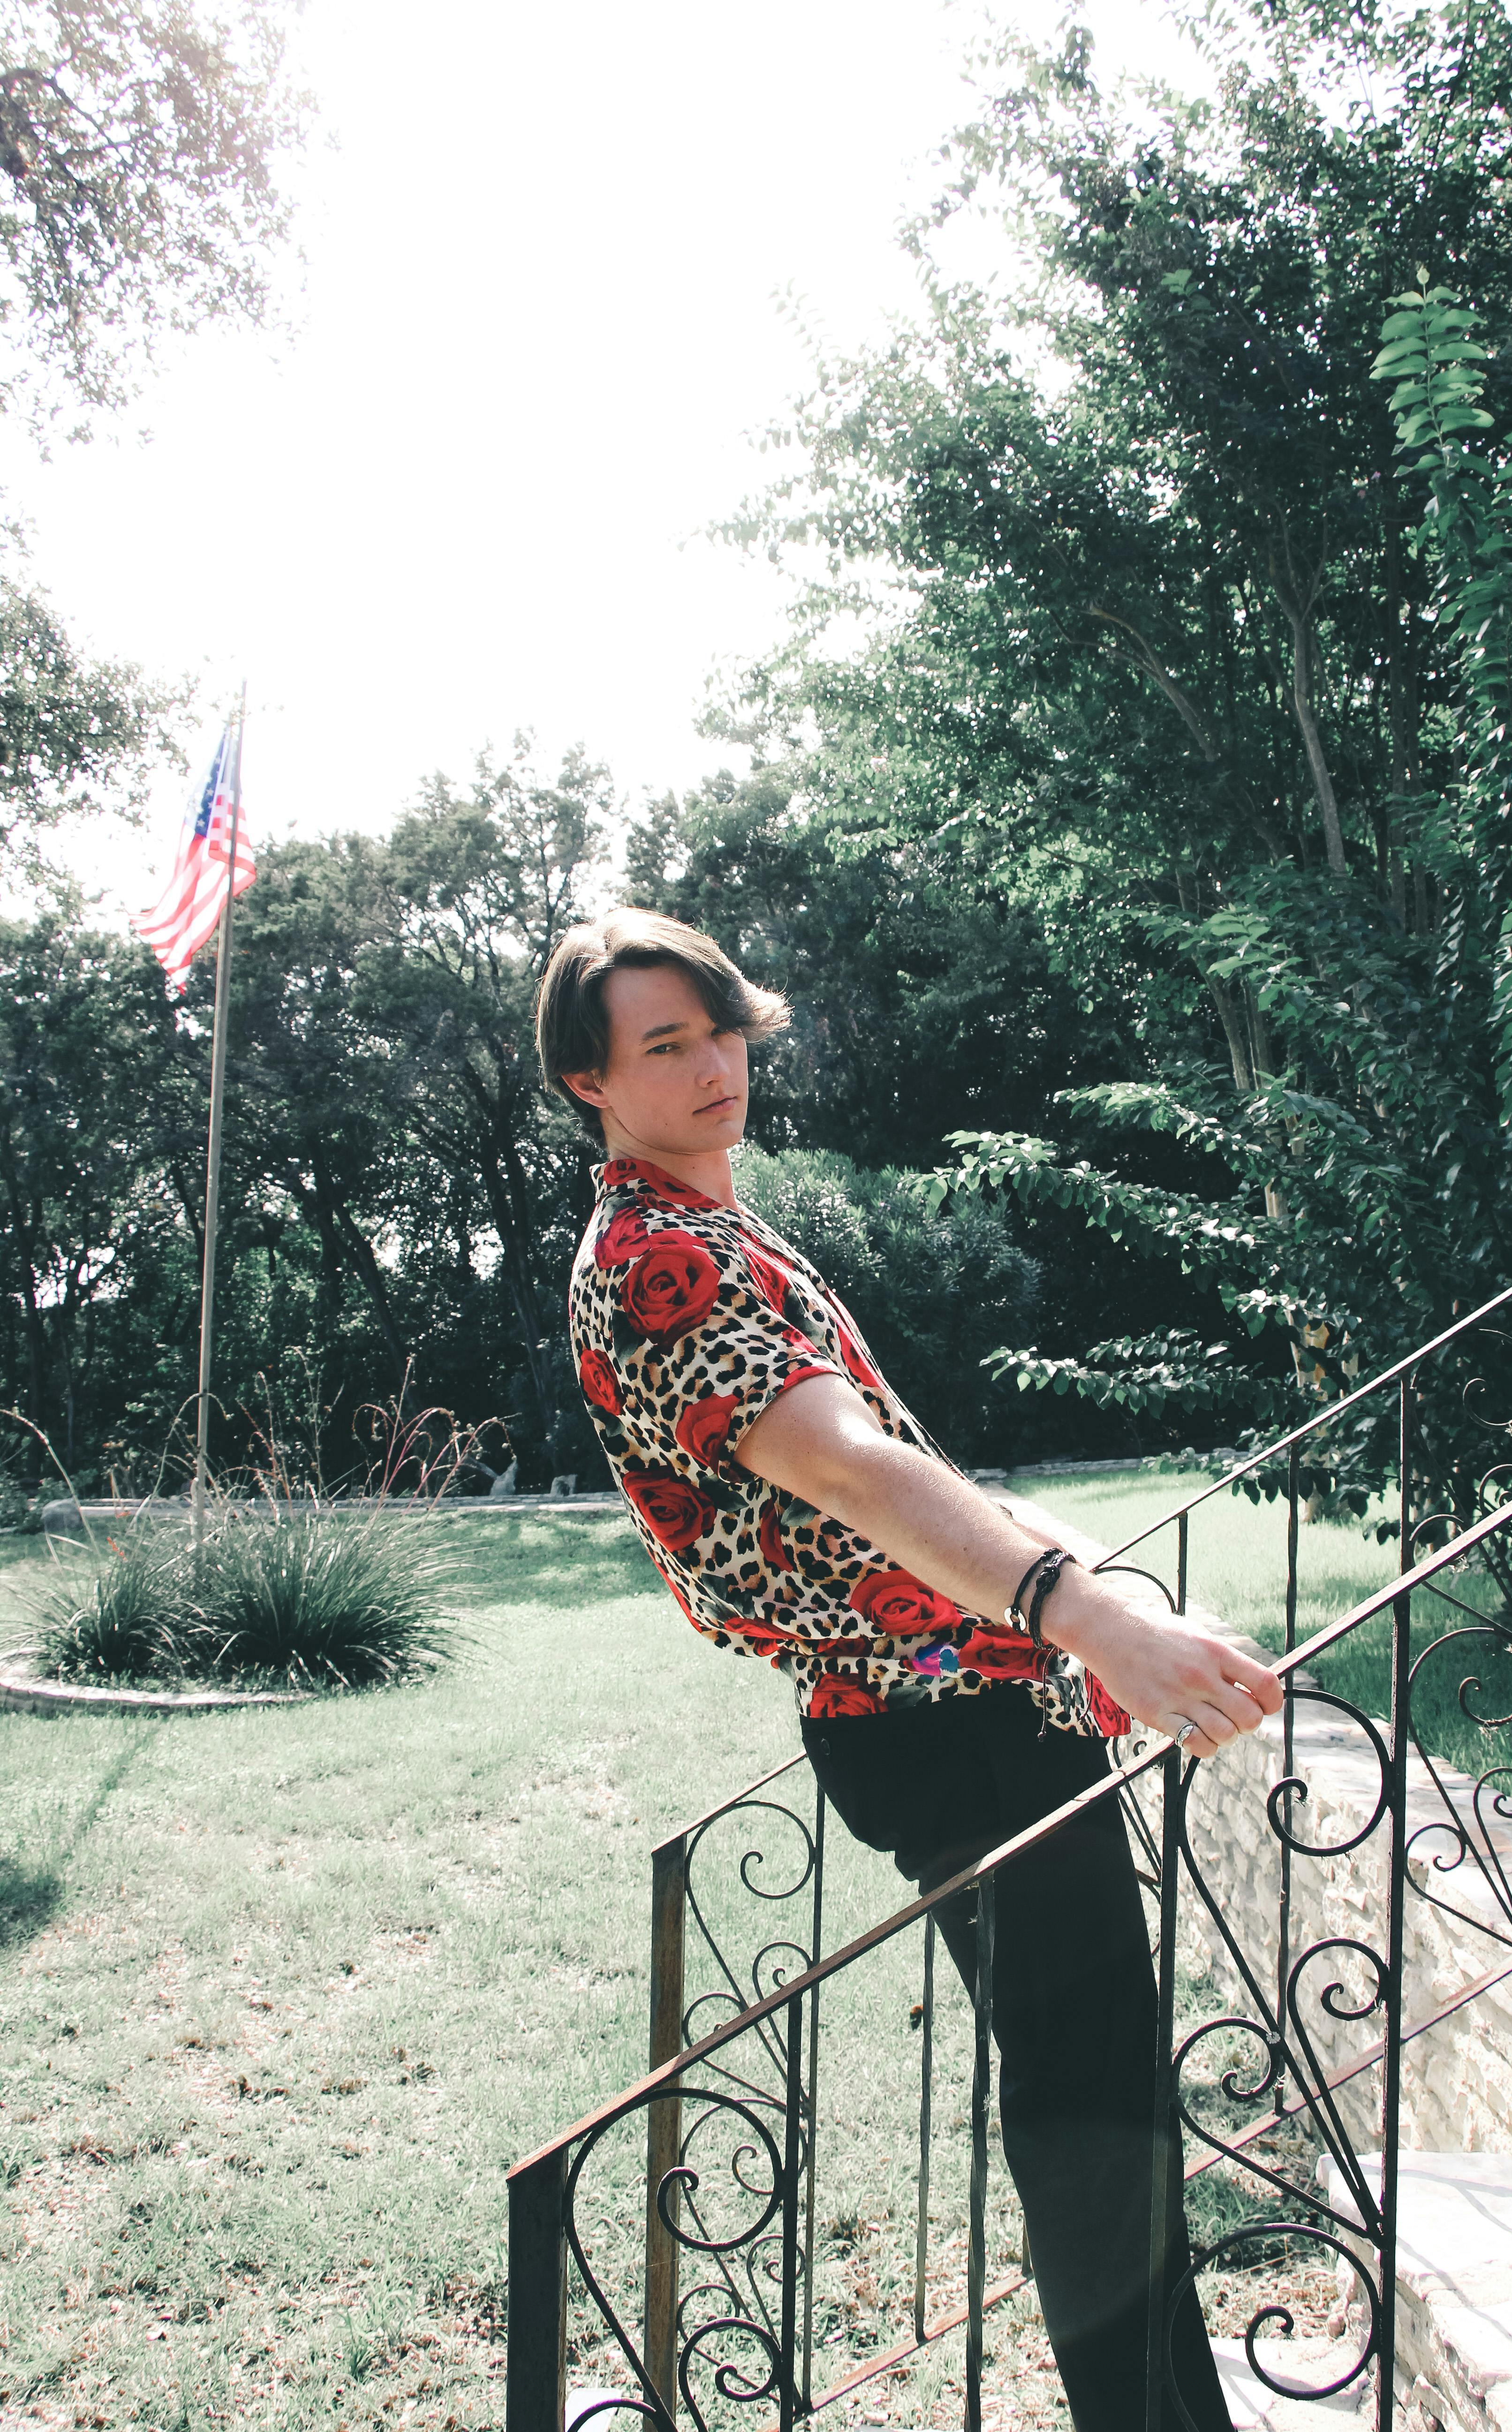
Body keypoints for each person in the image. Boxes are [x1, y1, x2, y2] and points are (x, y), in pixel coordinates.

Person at [535, 907, 1282, 2432]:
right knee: (1092, 2113)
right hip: (945, 1726)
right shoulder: (662, 1255)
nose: (711, 1064)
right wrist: (1099, 1621)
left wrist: (1091, 1579)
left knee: (1102, 2093)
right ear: (591, 1087)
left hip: (959, 1710)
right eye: (662, 1046)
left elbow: (912, 1467)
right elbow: (849, 1473)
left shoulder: (718, 1235)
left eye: (722, 1028)